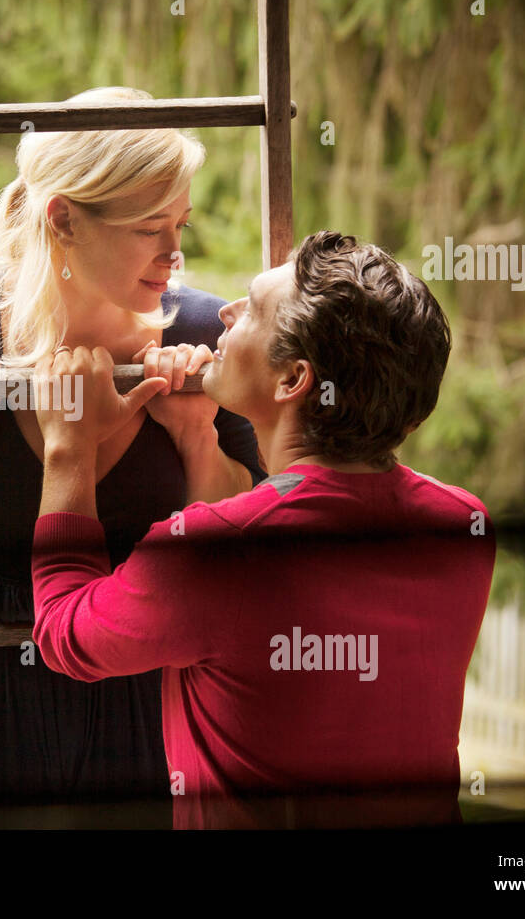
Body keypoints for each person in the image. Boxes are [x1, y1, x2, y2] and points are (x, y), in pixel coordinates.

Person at [0, 87, 266, 828]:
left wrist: (196, 434)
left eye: (181, 225)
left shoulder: (204, 329)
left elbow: (247, 512)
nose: (175, 252)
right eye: (148, 228)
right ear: (62, 217)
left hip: (145, 674)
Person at [30, 230, 496, 829]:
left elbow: (66, 634)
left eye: (250, 307)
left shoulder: (218, 552)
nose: (223, 311)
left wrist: (69, 446)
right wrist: (198, 436)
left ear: (292, 379)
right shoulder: (464, 527)